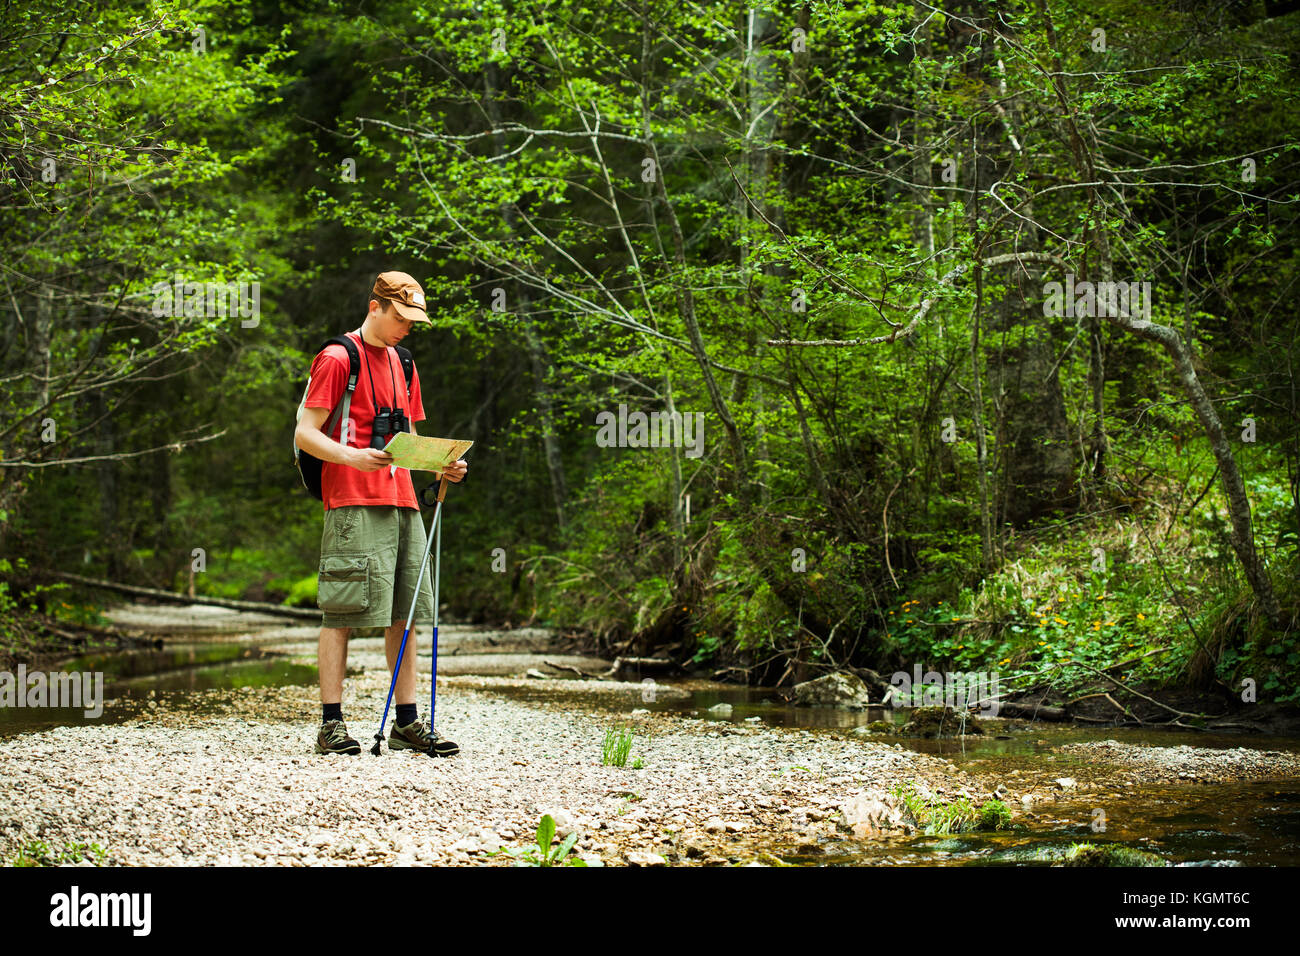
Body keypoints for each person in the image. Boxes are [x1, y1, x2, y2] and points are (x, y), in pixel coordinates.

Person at [294, 271, 468, 756]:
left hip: (404, 500)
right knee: (342, 610)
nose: (407, 327)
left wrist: (444, 466)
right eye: (400, 317)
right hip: (351, 499)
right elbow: (304, 433)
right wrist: (351, 456)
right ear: (375, 307)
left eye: (414, 320)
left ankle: (407, 723)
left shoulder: (406, 363)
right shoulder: (336, 358)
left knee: (406, 615)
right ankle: (331, 724)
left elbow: (409, 439)